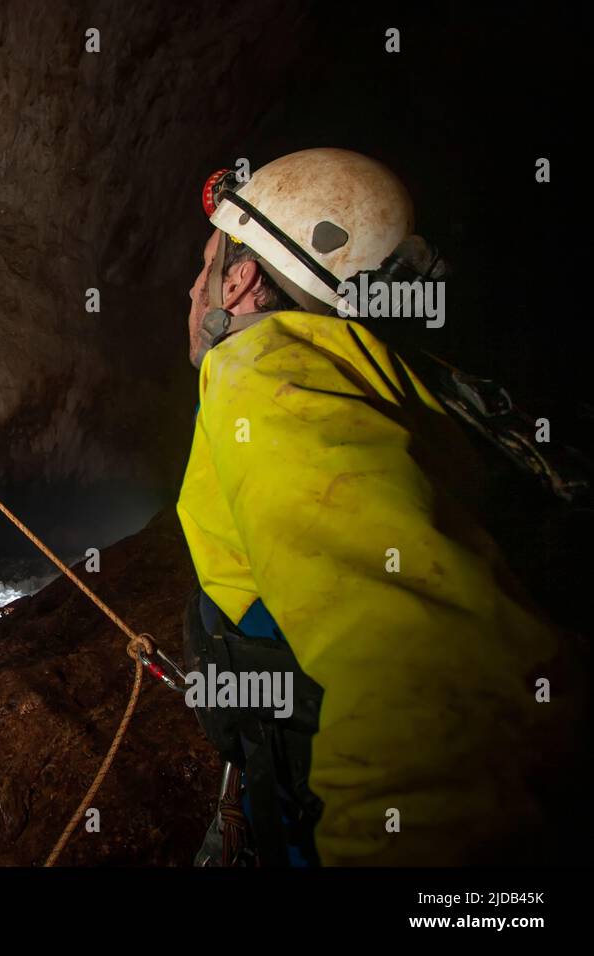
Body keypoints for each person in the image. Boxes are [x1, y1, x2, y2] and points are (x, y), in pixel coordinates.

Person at [175, 148, 578, 866]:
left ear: (238, 282)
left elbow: (433, 682)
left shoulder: (264, 378)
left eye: (208, 262)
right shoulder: (386, 367)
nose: (193, 283)